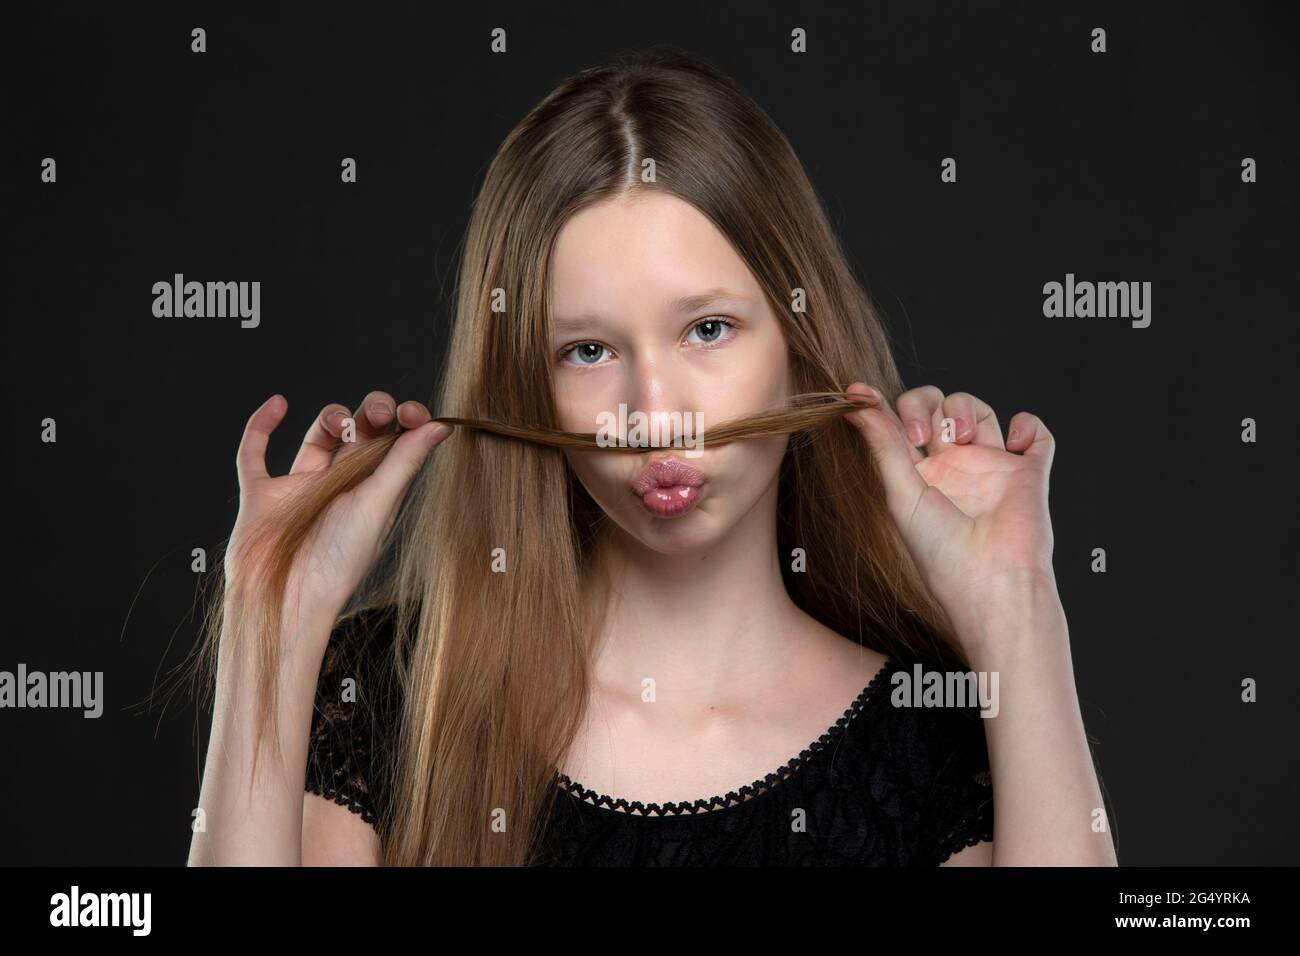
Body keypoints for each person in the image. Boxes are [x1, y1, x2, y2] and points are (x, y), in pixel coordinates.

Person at [186, 47, 1116, 867]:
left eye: (707, 329)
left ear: (799, 344)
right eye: (588, 351)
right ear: (525, 386)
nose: (653, 416)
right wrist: (273, 621)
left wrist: (1016, 610)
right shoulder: (389, 697)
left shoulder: (934, 733)